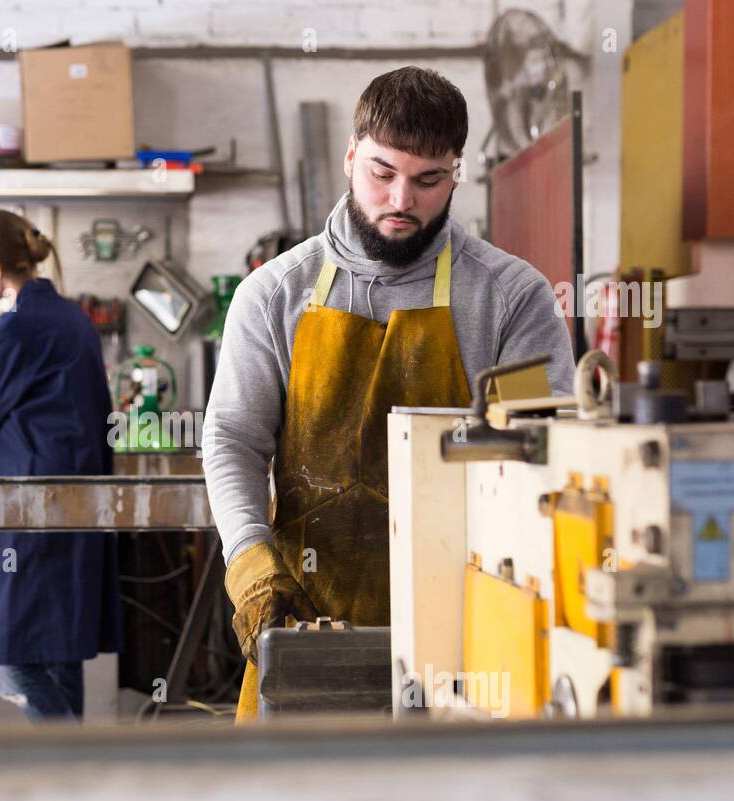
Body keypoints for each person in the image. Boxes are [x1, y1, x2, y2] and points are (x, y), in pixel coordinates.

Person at [202, 66, 577, 722]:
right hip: (305, 627)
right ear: (350, 158)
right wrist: (249, 561)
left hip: (471, 634)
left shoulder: (510, 298)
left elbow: (541, 448)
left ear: (456, 173)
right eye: (382, 172)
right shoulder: (274, 294)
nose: (401, 198)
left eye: (428, 179)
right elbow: (233, 435)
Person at [0, 210, 122, 721]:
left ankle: (70, 764)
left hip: (29, 512)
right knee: (57, 652)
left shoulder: (19, 328)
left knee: (13, 662)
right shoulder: (72, 318)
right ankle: (66, 786)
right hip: (76, 508)